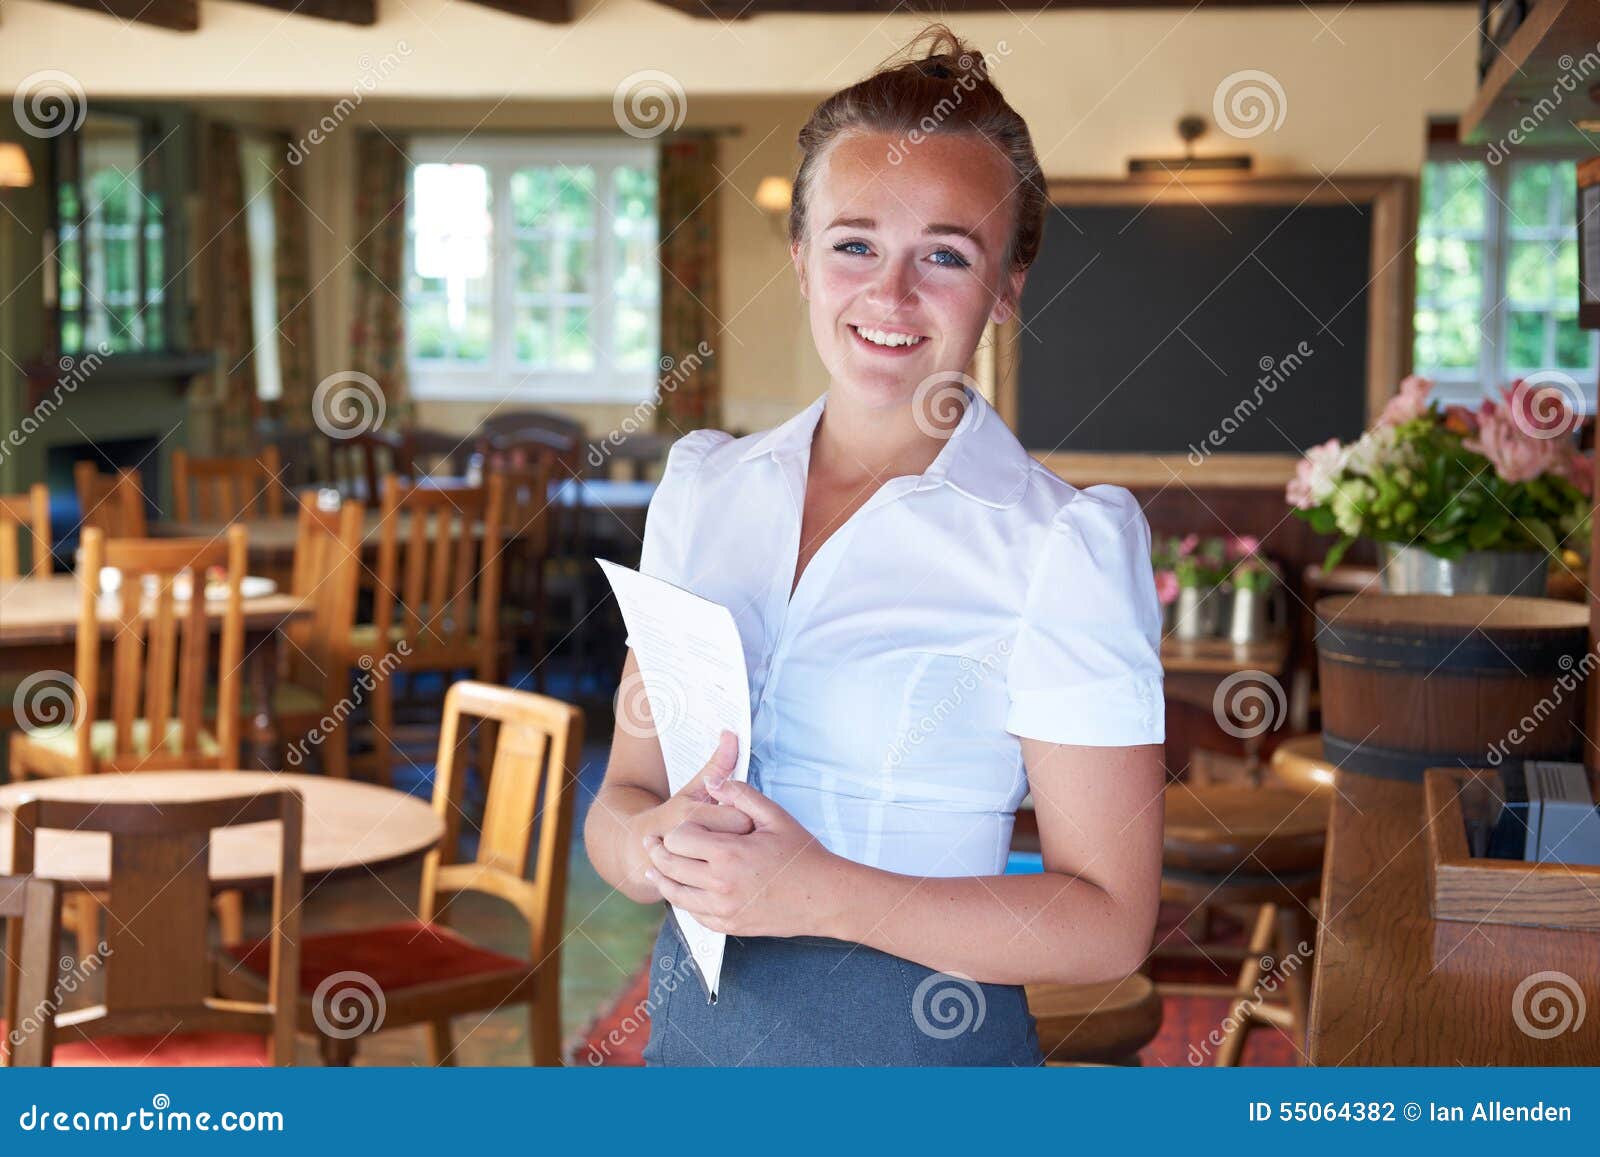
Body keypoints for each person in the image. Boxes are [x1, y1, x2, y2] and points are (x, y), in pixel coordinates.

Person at [584, 22, 1166, 1066]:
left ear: (1006, 284)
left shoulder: (1063, 544)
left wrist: (816, 891)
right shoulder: (703, 488)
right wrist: (645, 846)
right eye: (854, 243)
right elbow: (622, 795)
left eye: (944, 255)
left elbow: (1107, 922)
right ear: (802, 257)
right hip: (690, 1044)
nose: (888, 298)